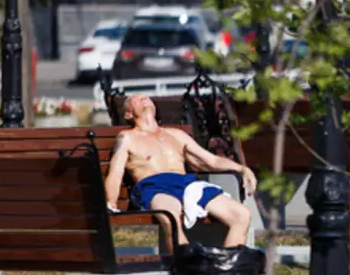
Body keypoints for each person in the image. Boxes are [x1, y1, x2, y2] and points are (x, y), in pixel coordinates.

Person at [104, 94, 256, 252]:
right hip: (155, 187)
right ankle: (187, 268)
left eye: (146, 97)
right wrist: (111, 203)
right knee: (170, 217)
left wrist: (241, 168)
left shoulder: (176, 135)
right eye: (136, 98)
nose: (144, 98)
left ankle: (227, 269)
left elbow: (212, 161)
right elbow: (116, 172)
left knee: (242, 215)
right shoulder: (128, 138)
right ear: (128, 114)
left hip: (187, 185)